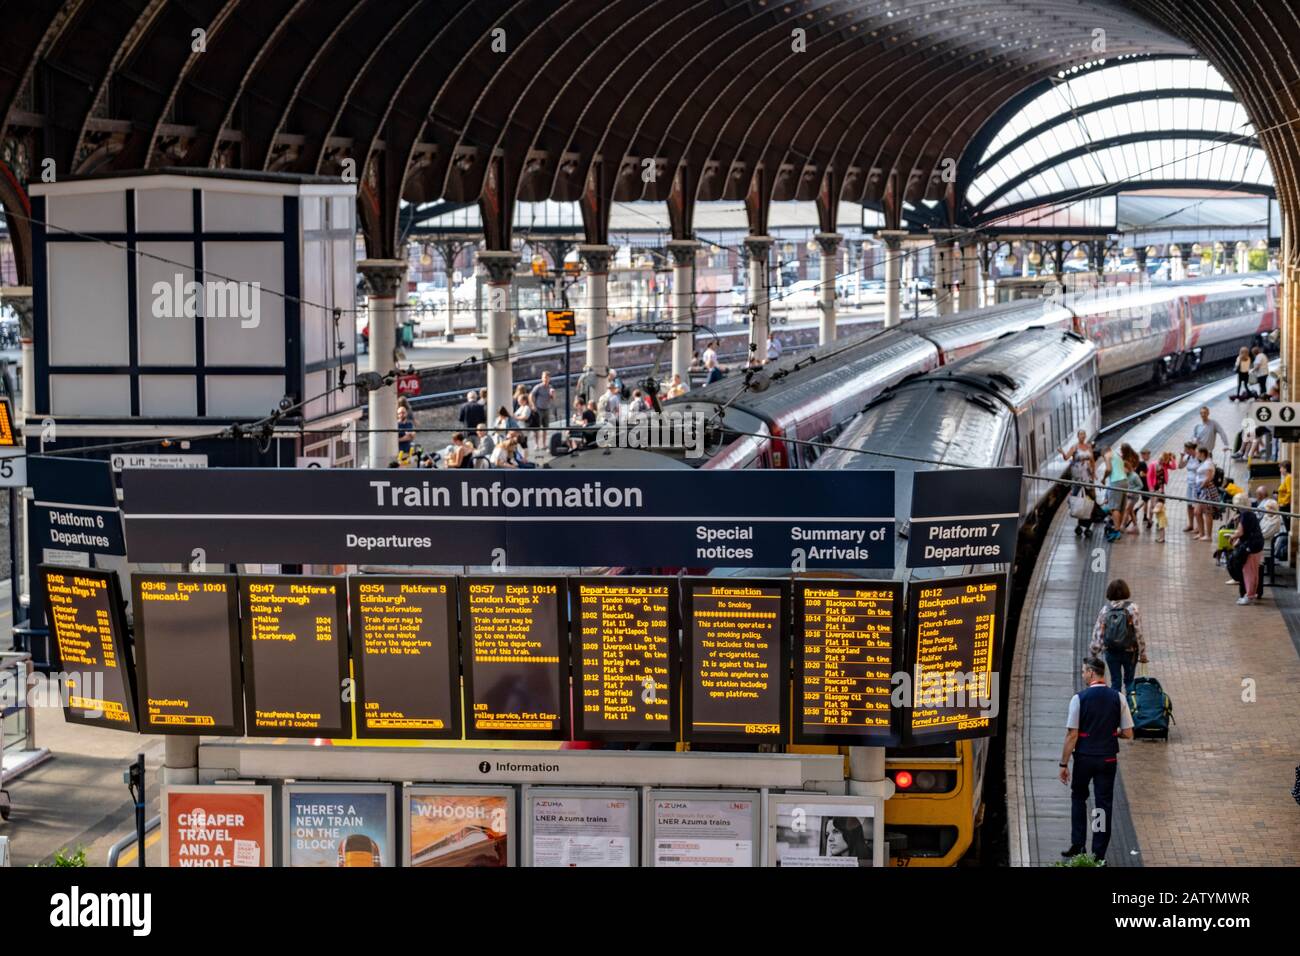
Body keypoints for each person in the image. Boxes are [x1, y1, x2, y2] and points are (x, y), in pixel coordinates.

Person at [1059, 657, 1135, 862]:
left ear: (1092, 673)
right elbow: (1128, 733)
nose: (1082, 674)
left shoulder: (1079, 699)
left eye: (1084, 671)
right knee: (1102, 805)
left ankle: (1078, 844)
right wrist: (1112, 733)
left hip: (1084, 758)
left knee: (1079, 798)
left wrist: (1063, 764)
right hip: (1107, 760)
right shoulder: (1118, 698)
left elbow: (1072, 735)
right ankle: (1098, 853)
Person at [1089, 578, 1147, 694]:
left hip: (1111, 651)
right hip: (1130, 651)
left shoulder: (1105, 610)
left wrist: (1094, 652)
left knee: (1115, 682)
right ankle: (1130, 708)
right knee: (1129, 681)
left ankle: (1116, 709)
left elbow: (1098, 633)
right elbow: (1138, 632)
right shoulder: (1133, 608)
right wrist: (1142, 653)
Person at [1230, 492, 1265, 604]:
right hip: (1257, 544)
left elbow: (1240, 532)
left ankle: (1249, 596)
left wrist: (1232, 537)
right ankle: (1252, 593)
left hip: (1251, 546)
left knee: (1248, 571)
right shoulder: (1251, 513)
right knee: (1254, 571)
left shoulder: (1245, 515)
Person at [1193, 445, 1218, 541]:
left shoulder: (1208, 463)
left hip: (1206, 489)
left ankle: (1208, 535)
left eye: (1197, 453)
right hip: (1201, 489)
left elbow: (1208, 477)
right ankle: (1201, 533)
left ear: (1202, 453)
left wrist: (1201, 487)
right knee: (1197, 512)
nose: (1196, 454)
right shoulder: (1204, 462)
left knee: (1207, 512)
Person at [1179, 440, 1200, 532]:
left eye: (1186, 449)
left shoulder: (1198, 457)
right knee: (1189, 505)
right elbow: (1180, 466)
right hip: (1189, 483)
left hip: (1197, 484)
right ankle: (1190, 524)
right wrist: (1181, 457)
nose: (1185, 450)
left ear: (1191, 449)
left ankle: (1198, 526)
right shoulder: (1187, 457)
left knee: (1196, 505)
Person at [1278, 461, 1291, 531]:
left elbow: (1290, 492)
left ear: (1285, 469)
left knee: (1287, 526)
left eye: (1281, 468)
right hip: (1283, 505)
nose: (1280, 470)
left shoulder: (1289, 477)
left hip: (1285, 506)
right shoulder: (1287, 477)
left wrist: (1283, 502)